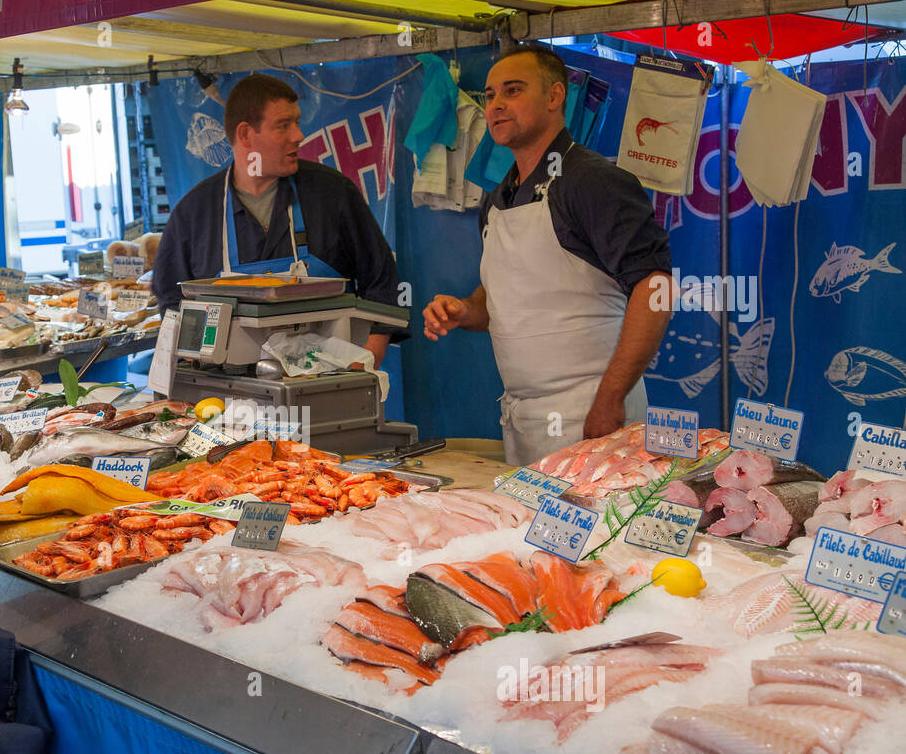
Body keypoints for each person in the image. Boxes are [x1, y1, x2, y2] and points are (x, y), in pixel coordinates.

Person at [422, 44, 673, 467]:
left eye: (513, 91)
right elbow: (509, 293)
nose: (497, 105)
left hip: (594, 415)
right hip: (524, 421)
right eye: (490, 95)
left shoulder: (592, 182)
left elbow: (655, 287)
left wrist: (610, 399)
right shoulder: (498, 195)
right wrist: (465, 310)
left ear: (555, 97)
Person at [153, 72, 408, 367]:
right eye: (283, 126)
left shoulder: (334, 194)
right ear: (246, 134)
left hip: (326, 385)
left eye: (297, 122)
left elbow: (383, 281)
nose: (298, 136)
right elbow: (172, 303)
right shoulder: (193, 214)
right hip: (229, 399)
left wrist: (365, 363)